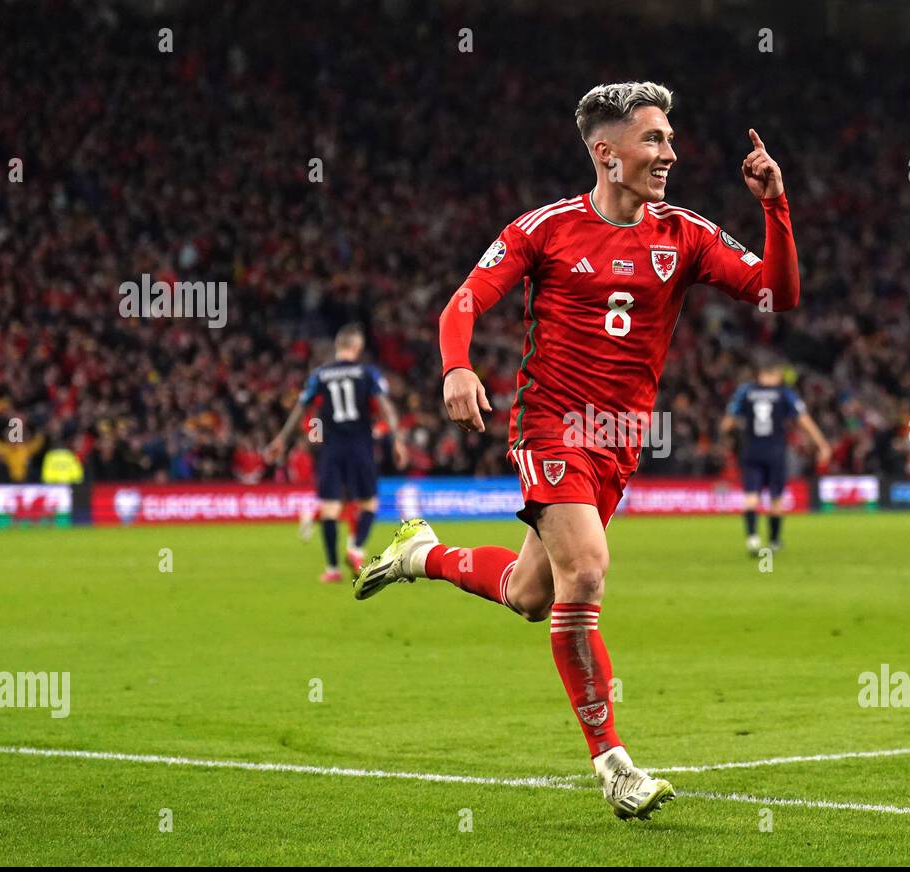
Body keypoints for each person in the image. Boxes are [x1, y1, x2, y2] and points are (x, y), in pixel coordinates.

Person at [354, 81, 799, 820]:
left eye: (669, 137)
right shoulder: (546, 229)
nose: (670, 152)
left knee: (534, 596)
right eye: (653, 139)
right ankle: (615, 765)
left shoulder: (684, 234)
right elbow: (463, 299)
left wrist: (774, 205)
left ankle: (420, 554)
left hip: (618, 443)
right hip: (552, 425)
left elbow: (776, 295)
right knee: (586, 573)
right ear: (607, 152)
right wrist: (457, 366)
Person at [266, 324, 407, 582]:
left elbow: (301, 408)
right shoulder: (366, 372)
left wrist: (281, 439)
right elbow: (386, 407)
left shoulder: (320, 374)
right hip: (360, 445)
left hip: (331, 448)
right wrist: (397, 440)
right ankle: (355, 549)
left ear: (338, 346)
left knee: (330, 508)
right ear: (357, 347)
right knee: (369, 504)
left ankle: (332, 569)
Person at [721, 359, 830, 555]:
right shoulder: (784, 393)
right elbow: (804, 420)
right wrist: (822, 444)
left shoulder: (745, 391)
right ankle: (773, 542)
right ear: (776, 374)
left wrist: (732, 434)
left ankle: (753, 539)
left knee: (751, 497)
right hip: (775, 451)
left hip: (751, 449)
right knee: (776, 499)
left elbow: (727, 424)